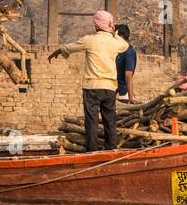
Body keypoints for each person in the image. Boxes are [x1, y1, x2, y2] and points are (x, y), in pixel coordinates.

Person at [47, 10, 129, 152]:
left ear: (96, 25)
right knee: (110, 121)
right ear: (110, 25)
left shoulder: (89, 40)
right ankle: (111, 150)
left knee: (91, 122)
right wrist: (114, 32)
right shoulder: (115, 43)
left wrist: (58, 52)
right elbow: (125, 45)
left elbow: (69, 47)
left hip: (92, 87)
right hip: (109, 88)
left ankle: (92, 151)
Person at [115, 24, 137, 105]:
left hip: (123, 95)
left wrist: (131, 99)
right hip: (115, 92)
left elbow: (128, 76)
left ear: (121, 36)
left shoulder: (129, 52)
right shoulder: (119, 50)